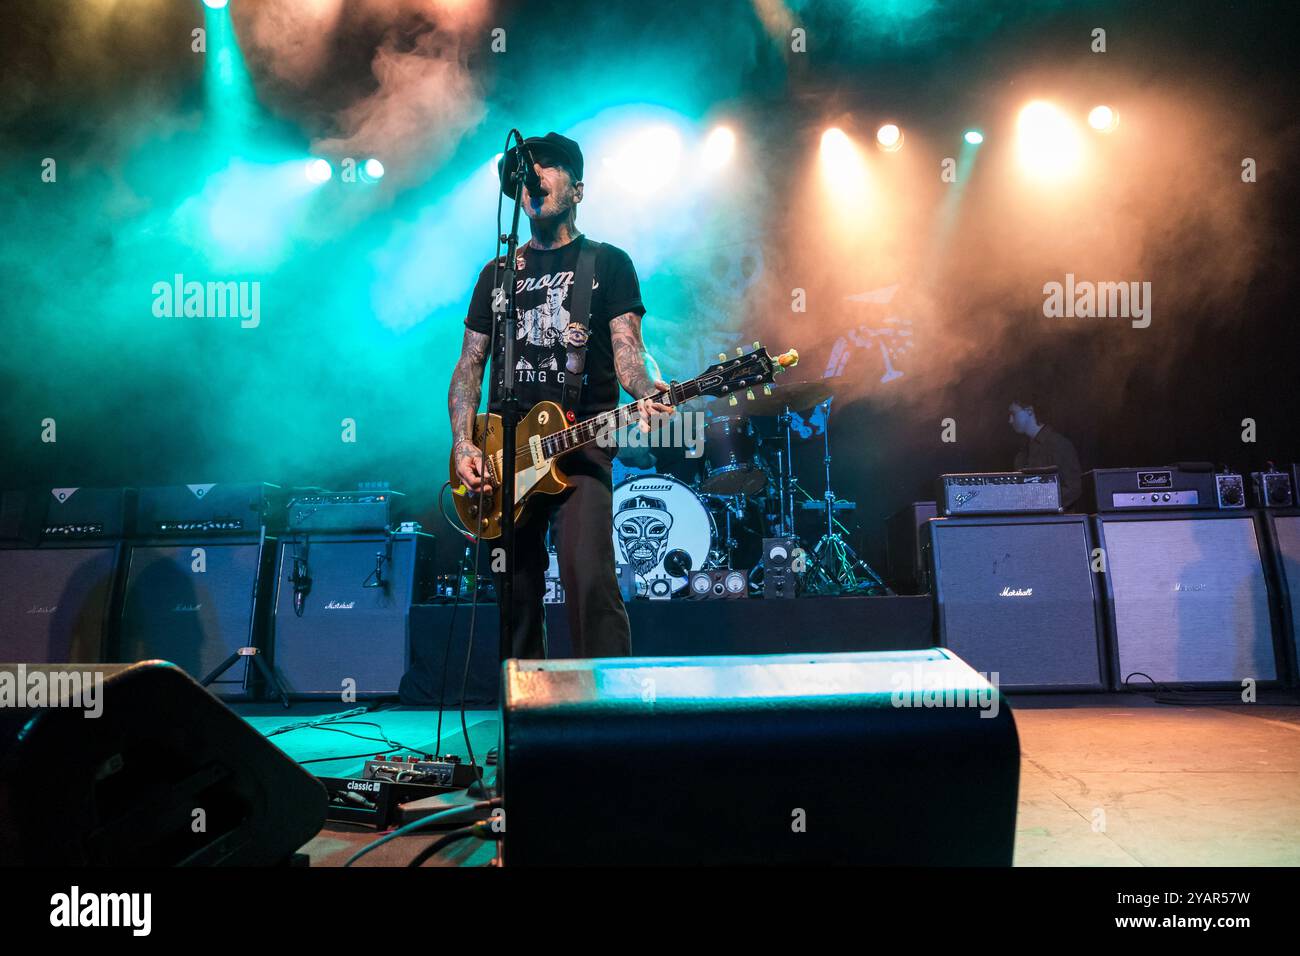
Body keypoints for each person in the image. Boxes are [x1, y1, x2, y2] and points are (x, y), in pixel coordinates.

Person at [448, 132, 672, 659]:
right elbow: (469, 364)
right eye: (528, 168)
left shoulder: (608, 263)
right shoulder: (497, 274)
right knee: (515, 599)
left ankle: (610, 721)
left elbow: (627, 351)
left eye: (549, 167)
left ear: (578, 189)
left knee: (591, 583)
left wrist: (644, 389)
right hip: (505, 456)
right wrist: (463, 443)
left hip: (579, 449)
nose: (535, 176)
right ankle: (528, 721)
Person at [1008, 397, 1082, 509]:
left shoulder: (1058, 444)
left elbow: (1073, 488)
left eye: (1013, 413)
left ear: (1029, 411)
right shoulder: (1022, 454)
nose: (1010, 420)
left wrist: (1039, 501)